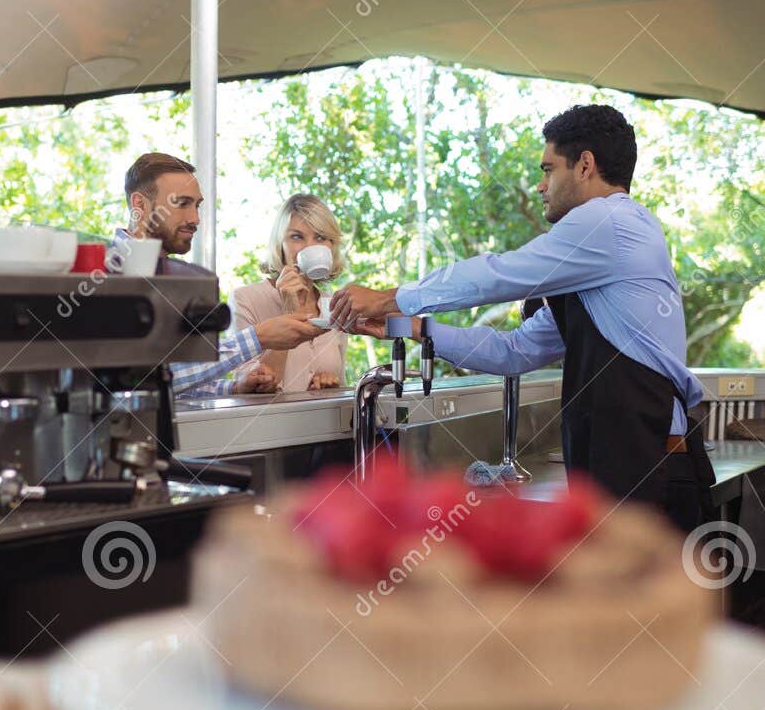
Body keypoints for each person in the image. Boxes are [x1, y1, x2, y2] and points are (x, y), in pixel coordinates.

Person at [330, 105, 713, 532]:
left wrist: (390, 298)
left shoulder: (609, 222)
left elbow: (499, 273)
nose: (540, 185)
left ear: (585, 165)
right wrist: (412, 327)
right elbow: (515, 351)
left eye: (549, 169)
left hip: (651, 475)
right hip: (629, 470)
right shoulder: (595, 263)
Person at [112, 153, 321, 396]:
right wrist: (258, 337)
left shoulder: (166, 278)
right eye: (181, 203)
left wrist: (234, 387)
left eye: (197, 205)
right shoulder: (106, 275)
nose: (195, 219)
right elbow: (134, 380)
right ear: (139, 205)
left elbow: (176, 379)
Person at [225, 194, 349, 394]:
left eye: (320, 237)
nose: (310, 247)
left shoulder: (333, 305)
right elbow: (254, 389)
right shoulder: (244, 299)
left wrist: (332, 387)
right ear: (280, 244)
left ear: (331, 246)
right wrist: (289, 312)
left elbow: (341, 387)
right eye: (297, 237)